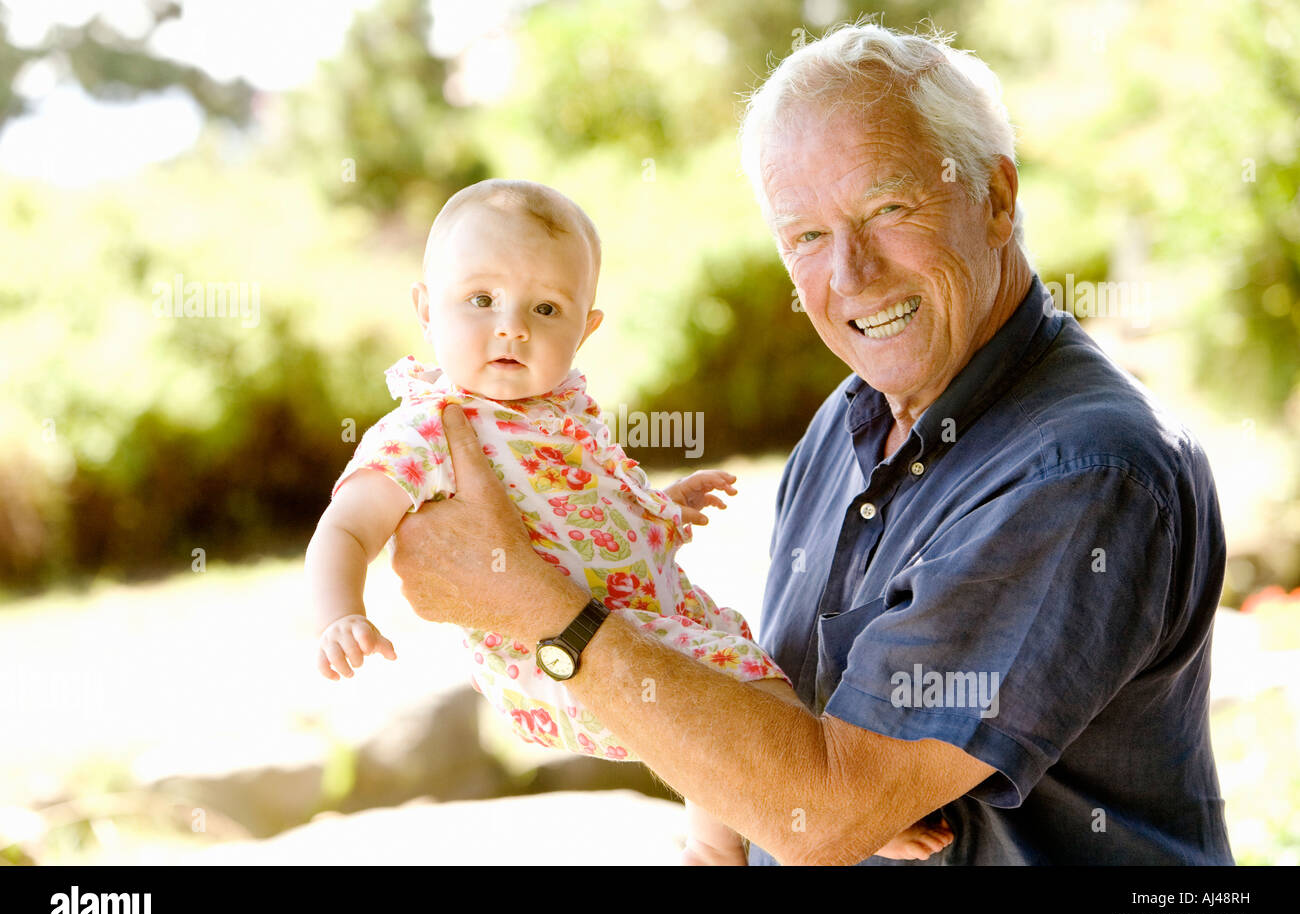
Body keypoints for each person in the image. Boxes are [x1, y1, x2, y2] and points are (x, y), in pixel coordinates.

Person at [383, 24, 1233, 865]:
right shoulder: (851, 419)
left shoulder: (1083, 471)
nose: (852, 273)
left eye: (888, 208)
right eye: (808, 237)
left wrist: (535, 607)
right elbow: (777, 743)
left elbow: (821, 816)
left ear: (996, 197)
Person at [303, 178, 955, 864]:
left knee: (730, 674)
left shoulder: (556, 408)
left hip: (634, 614)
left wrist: (663, 509)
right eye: (480, 299)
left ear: (585, 329)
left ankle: (717, 841)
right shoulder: (428, 429)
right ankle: (838, 814)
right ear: (425, 309)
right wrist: (339, 613)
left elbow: (584, 509)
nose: (511, 326)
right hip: (546, 653)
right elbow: (344, 526)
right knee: (738, 686)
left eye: (546, 308)